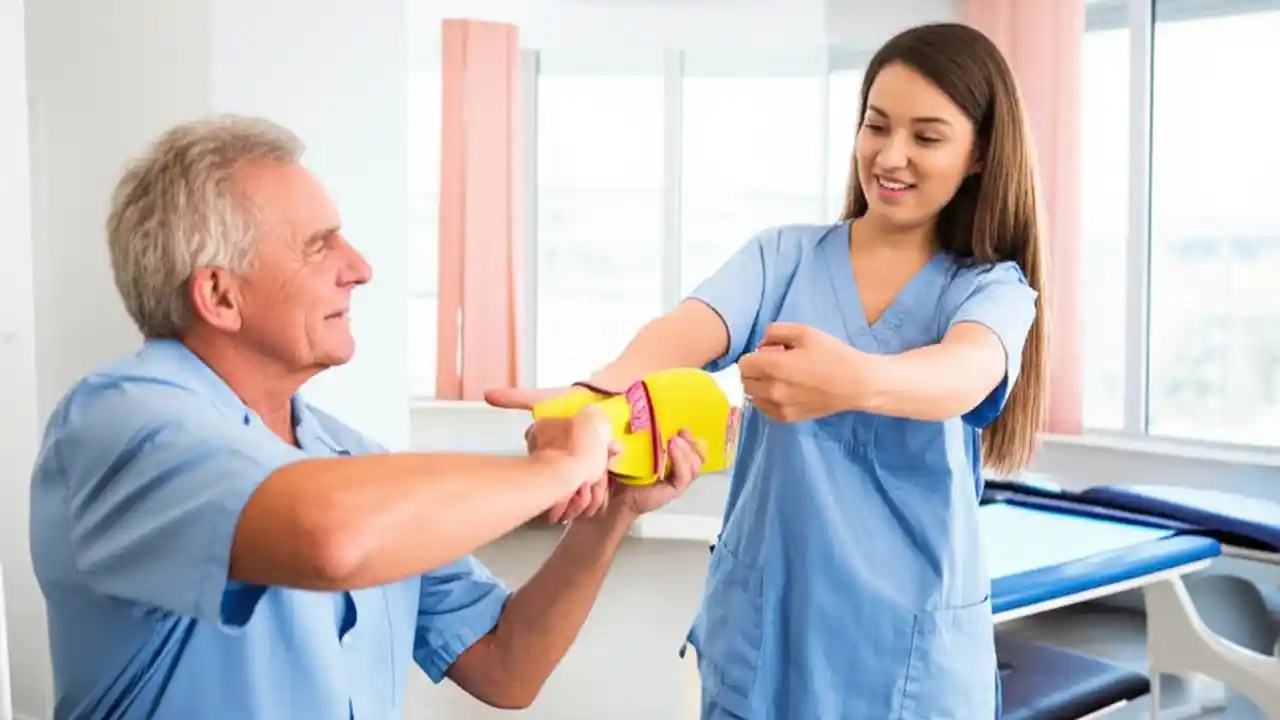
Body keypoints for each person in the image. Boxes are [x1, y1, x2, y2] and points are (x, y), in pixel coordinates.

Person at [28, 116, 706, 720]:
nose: (360, 268)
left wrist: (608, 515)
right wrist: (558, 466)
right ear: (219, 295)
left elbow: (507, 668)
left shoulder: (355, 462)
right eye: (318, 246)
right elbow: (327, 539)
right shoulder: (118, 425)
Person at [487, 22, 1048, 719]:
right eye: (877, 126)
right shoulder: (783, 258)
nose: (891, 155)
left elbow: (962, 373)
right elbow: (682, 332)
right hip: (765, 631)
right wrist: (599, 391)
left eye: (927, 137)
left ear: (978, 154)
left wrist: (848, 379)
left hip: (907, 653)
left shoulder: (988, 289)